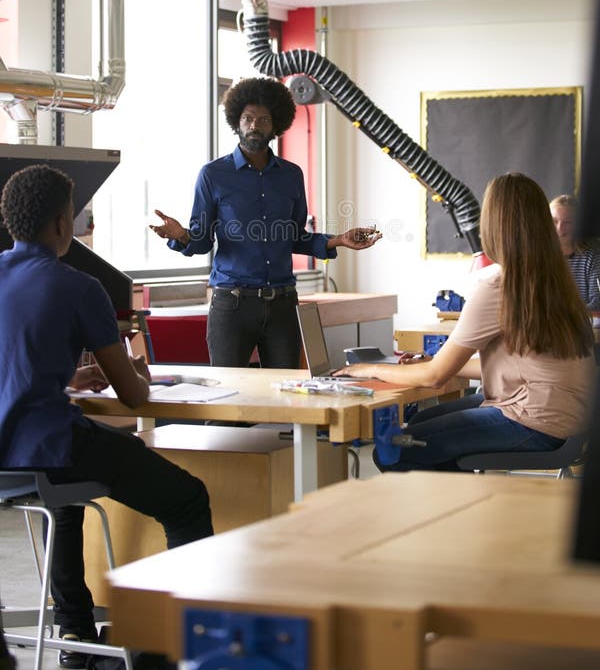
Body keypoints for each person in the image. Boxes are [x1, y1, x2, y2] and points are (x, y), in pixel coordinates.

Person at [0, 165, 213, 669]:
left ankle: (74, 635)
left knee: (63, 497)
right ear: (62, 223)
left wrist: (66, 379)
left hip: (10, 460)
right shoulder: (78, 286)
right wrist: (136, 370)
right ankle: (164, 649)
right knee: (187, 500)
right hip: (47, 448)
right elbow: (134, 397)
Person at [336, 172, 595, 473]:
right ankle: (462, 494)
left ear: (492, 225)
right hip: (571, 419)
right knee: (422, 421)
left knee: (395, 448)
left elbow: (434, 378)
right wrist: (437, 361)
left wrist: (367, 369)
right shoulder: (553, 278)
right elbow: (517, 364)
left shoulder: (500, 285)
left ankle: (459, 500)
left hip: (536, 422)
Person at [150, 77, 381, 368]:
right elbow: (202, 240)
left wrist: (339, 240)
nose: (254, 125)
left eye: (263, 119)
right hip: (232, 305)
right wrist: (182, 235)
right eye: (247, 118)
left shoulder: (291, 175)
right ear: (236, 122)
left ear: (276, 125)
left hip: (283, 306)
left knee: (285, 391)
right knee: (227, 391)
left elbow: (295, 236)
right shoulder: (213, 175)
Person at [549, 193, 600, 311]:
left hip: (582, 320)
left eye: (567, 222)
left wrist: (567, 316)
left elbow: (597, 302)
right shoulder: (541, 256)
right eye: (554, 221)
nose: (560, 228)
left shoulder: (592, 257)